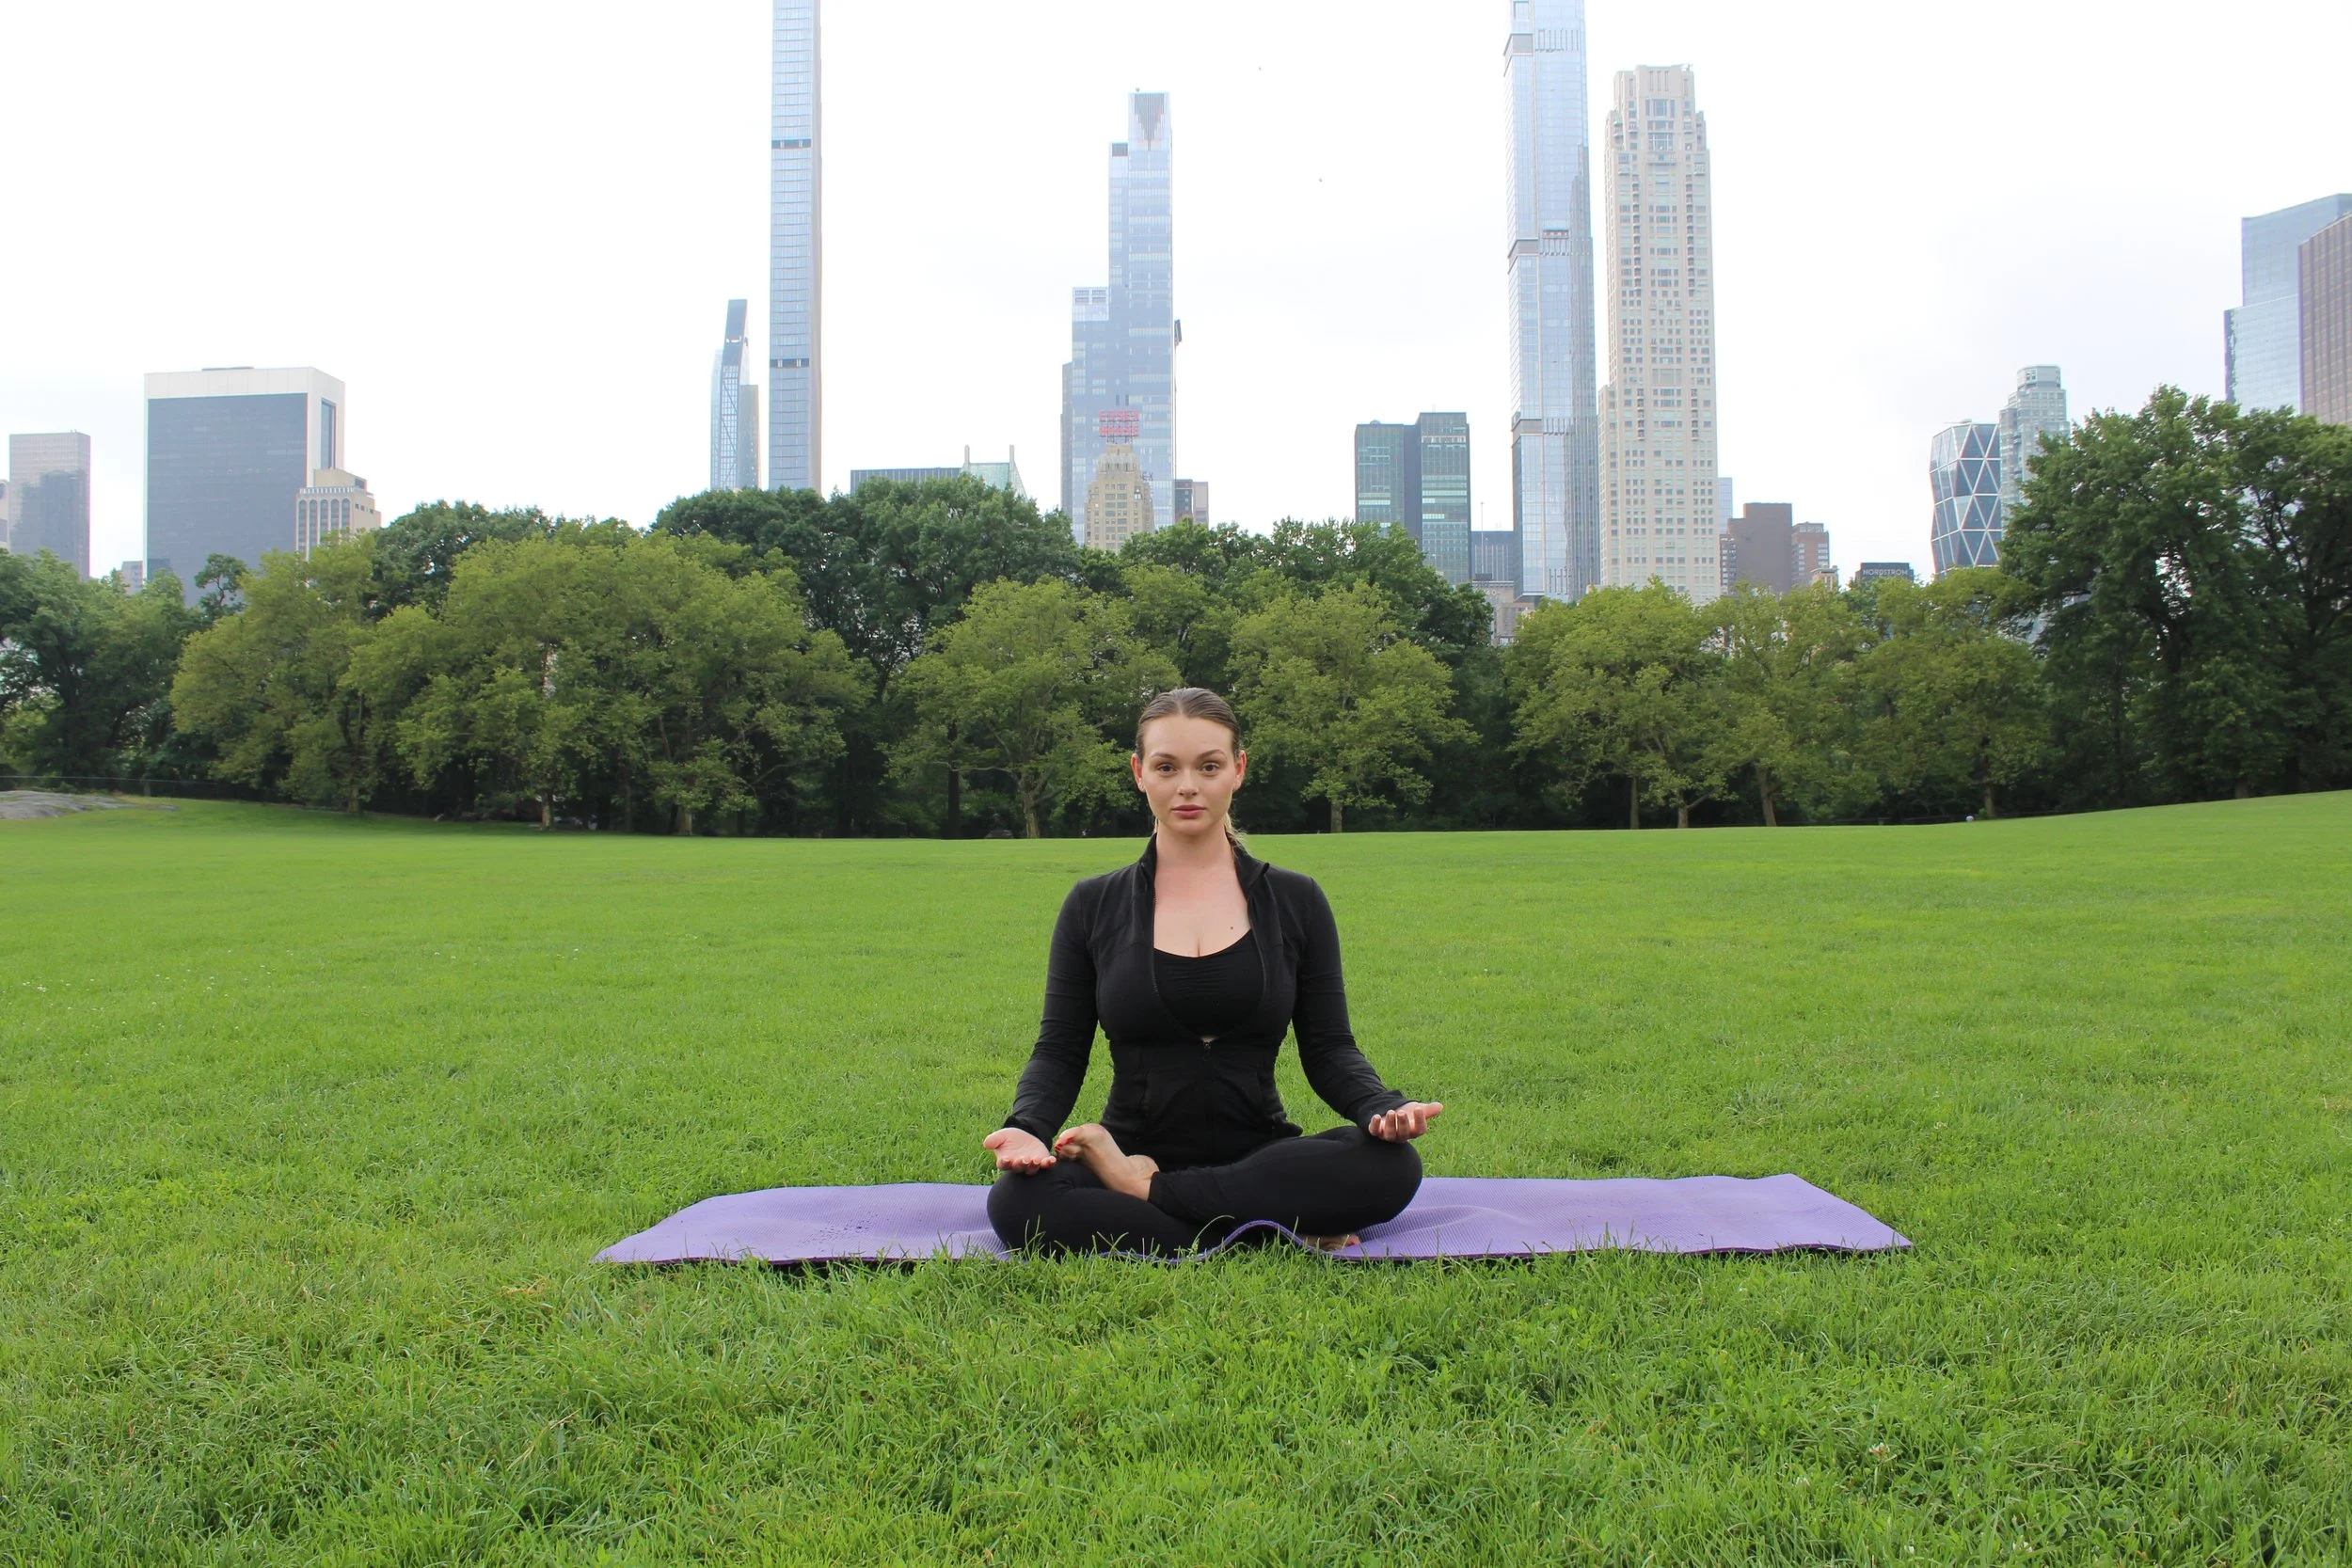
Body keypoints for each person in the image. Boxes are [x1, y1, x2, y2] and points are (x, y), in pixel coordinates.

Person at [984, 687, 1445, 1255]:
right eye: (1166, 767)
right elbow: (1059, 1049)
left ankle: (1151, 1195)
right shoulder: (1093, 905)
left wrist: (1381, 1109)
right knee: (1018, 1203)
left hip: (1259, 1157)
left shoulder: (1296, 900)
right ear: (1138, 773)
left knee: (1392, 1166)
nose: (1187, 786)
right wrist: (1027, 1127)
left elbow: (1329, 1048)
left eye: (1208, 766)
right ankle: (1269, 1224)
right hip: (1133, 1148)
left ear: (1238, 770)